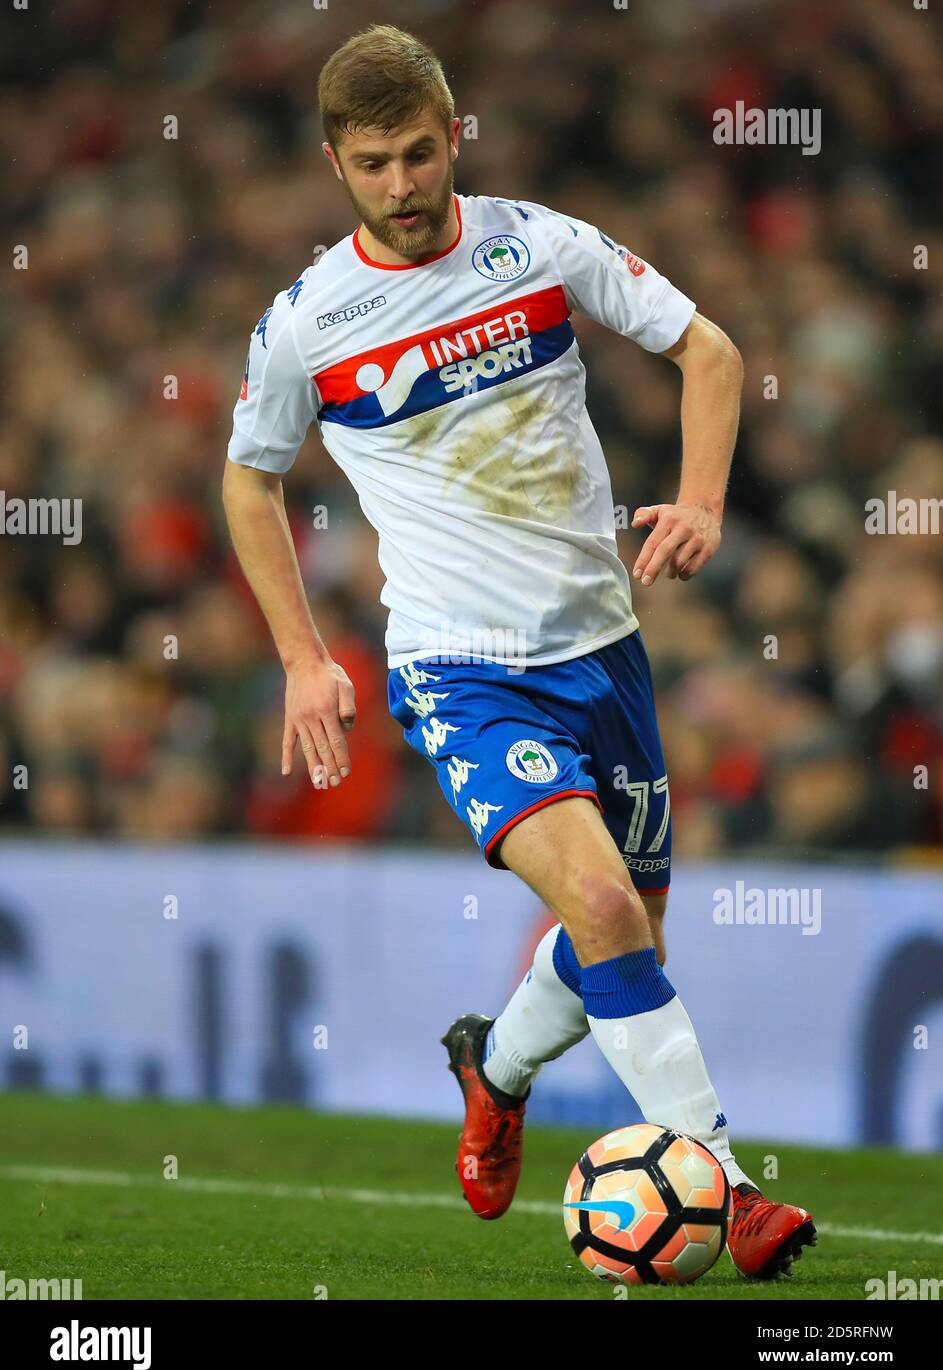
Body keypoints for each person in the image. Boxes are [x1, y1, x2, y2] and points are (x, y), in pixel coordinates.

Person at [222, 23, 816, 1280]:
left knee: (628, 930)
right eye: (374, 163)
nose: (402, 183)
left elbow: (706, 349)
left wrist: (700, 498)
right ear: (336, 161)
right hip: (459, 666)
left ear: (455, 131)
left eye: (421, 152)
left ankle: (491, 1072)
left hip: (604, 648)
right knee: (601, 904)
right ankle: (729, 1179)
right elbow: (247, 480)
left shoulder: (534, 245)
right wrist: (299, 653)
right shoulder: (308, 323)